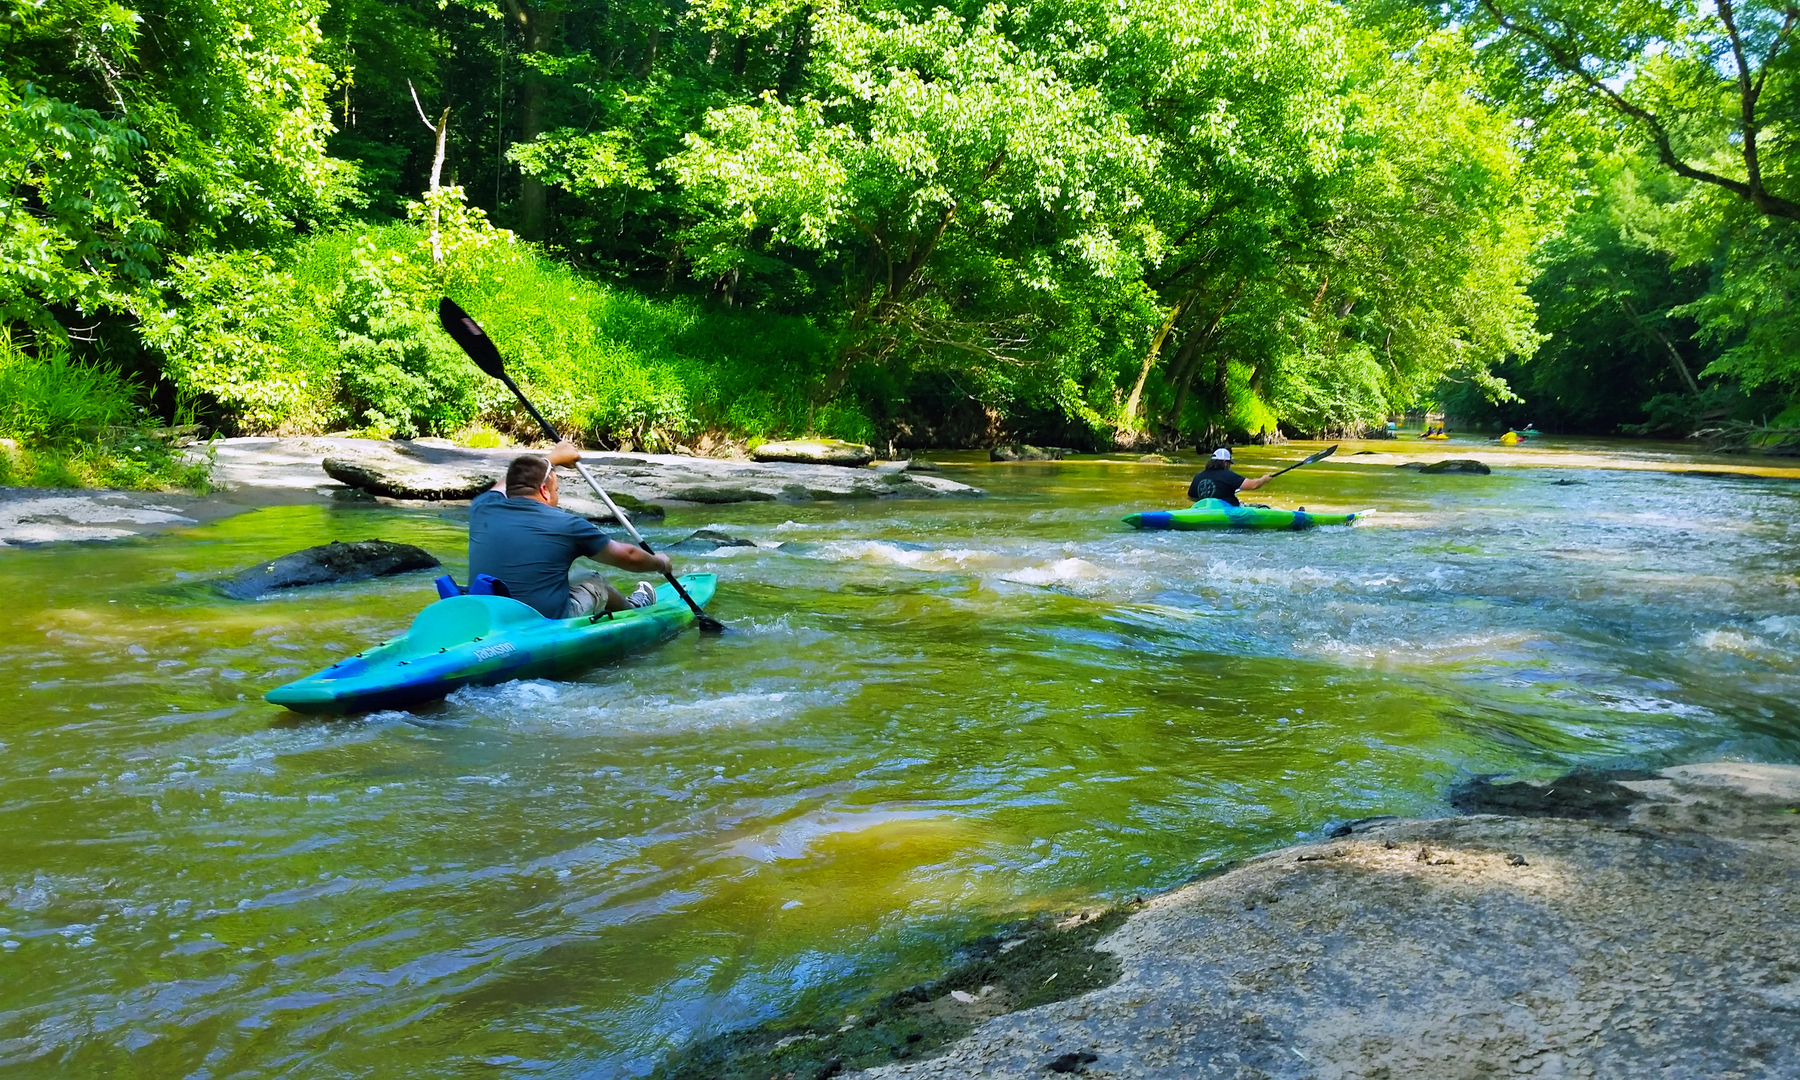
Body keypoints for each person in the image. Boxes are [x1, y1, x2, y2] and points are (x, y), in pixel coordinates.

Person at [468, 441, 673, 619]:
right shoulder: (567, 524)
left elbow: (504, 485)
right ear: (544, 490)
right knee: (593, 579)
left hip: (488, 614)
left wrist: (553, 458)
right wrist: (660, 563)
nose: (557, 498)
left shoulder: (482, 506)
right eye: (556, 490)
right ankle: (633, 610)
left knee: (569, 575)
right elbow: (626, 555)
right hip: (542, 620)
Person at [1186, 447, 1271, 506]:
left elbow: (1191, 496)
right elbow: (1253, 485)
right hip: (1228, 511)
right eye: (1229, 463)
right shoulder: (1228, 475)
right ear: (1225, 462)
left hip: (1205, 510)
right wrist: (1264, 479)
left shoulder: (1199, 476)